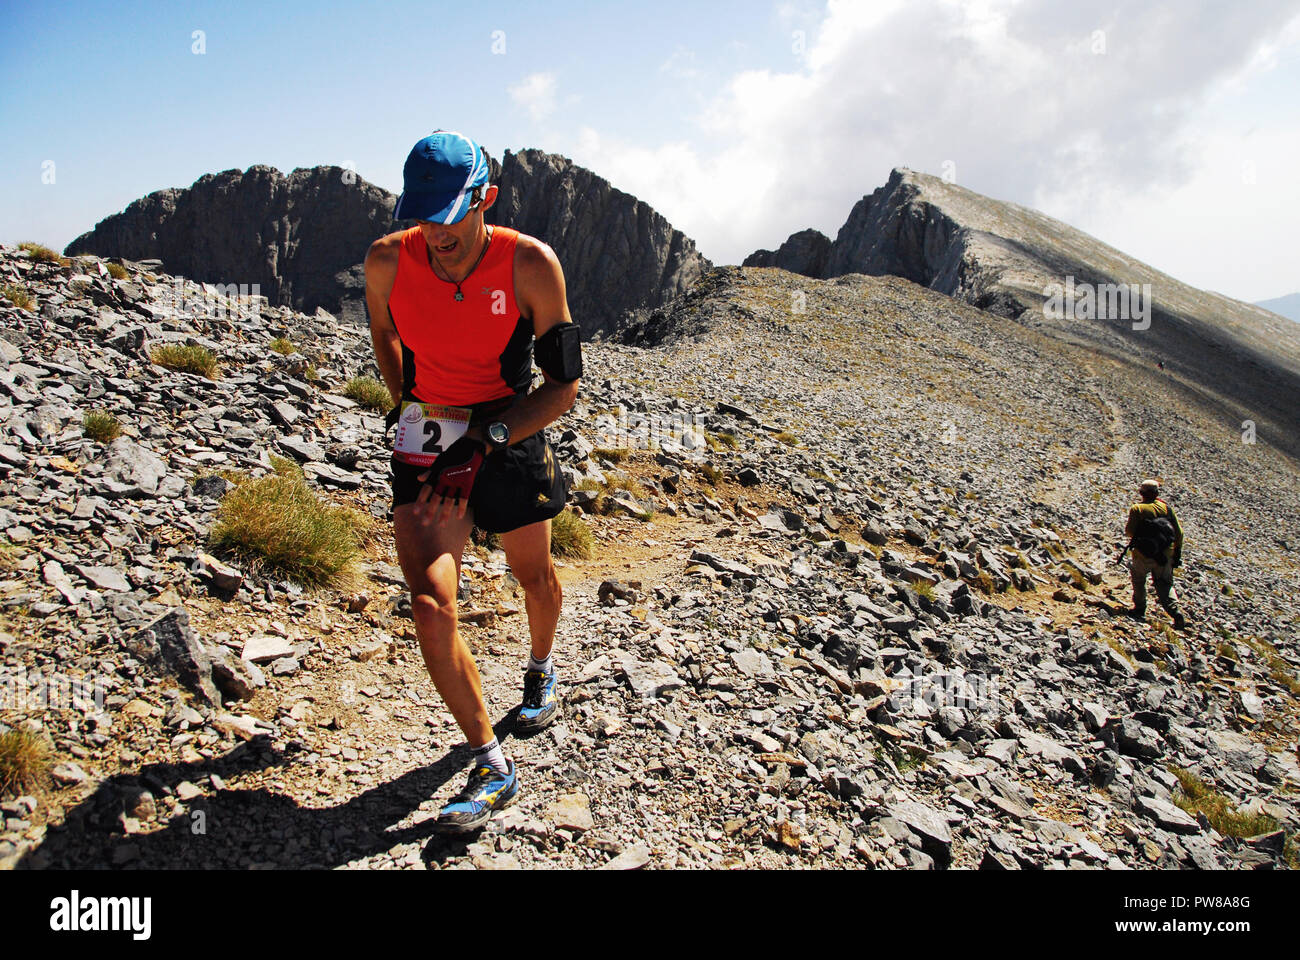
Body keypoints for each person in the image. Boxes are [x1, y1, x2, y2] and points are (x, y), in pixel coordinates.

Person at [363, 131, 582, 832]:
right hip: (430, 433)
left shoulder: (530, 265)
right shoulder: (387, 261)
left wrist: (483, 441)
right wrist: (411, 408)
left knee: (534, 576)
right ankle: (491, 761)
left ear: (485, 198)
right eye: (423, 215)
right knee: (430, 604)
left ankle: (542, 668)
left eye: (450, 214)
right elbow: (382, 329)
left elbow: (564, 385)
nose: (436, 232)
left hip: (507, 426)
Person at [1124, 479, 1187, 629]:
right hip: (1165, 555)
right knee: (1165, 584)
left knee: (1139, 580)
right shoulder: (1167, 509)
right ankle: (1175, 611)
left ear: (1141, 493)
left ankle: (1139, 608)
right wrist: (1176, 552)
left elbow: (1129, 531)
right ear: (1157, 493)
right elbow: (1179, 533)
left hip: (1143, 554)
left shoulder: (1137, 509)